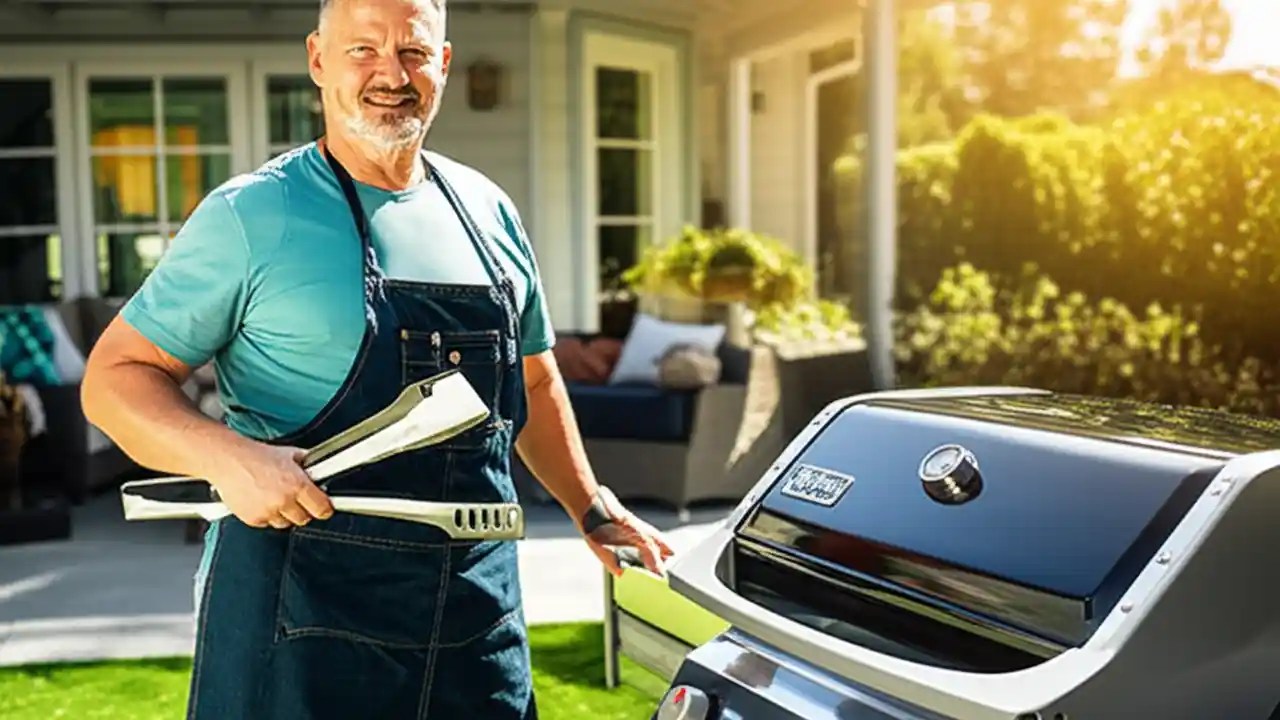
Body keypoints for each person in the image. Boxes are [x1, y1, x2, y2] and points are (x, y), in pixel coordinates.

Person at [80, 0, 673, 717]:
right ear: (317, 59)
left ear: (443, 64)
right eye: (363, 49)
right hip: (301, 623)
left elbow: (533, 381)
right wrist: (228, 458)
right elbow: (115, 380)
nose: (392, 75)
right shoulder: (253, 215)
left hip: (475, 623)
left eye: (413, 52)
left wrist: (592, 507)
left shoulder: (487, 212)